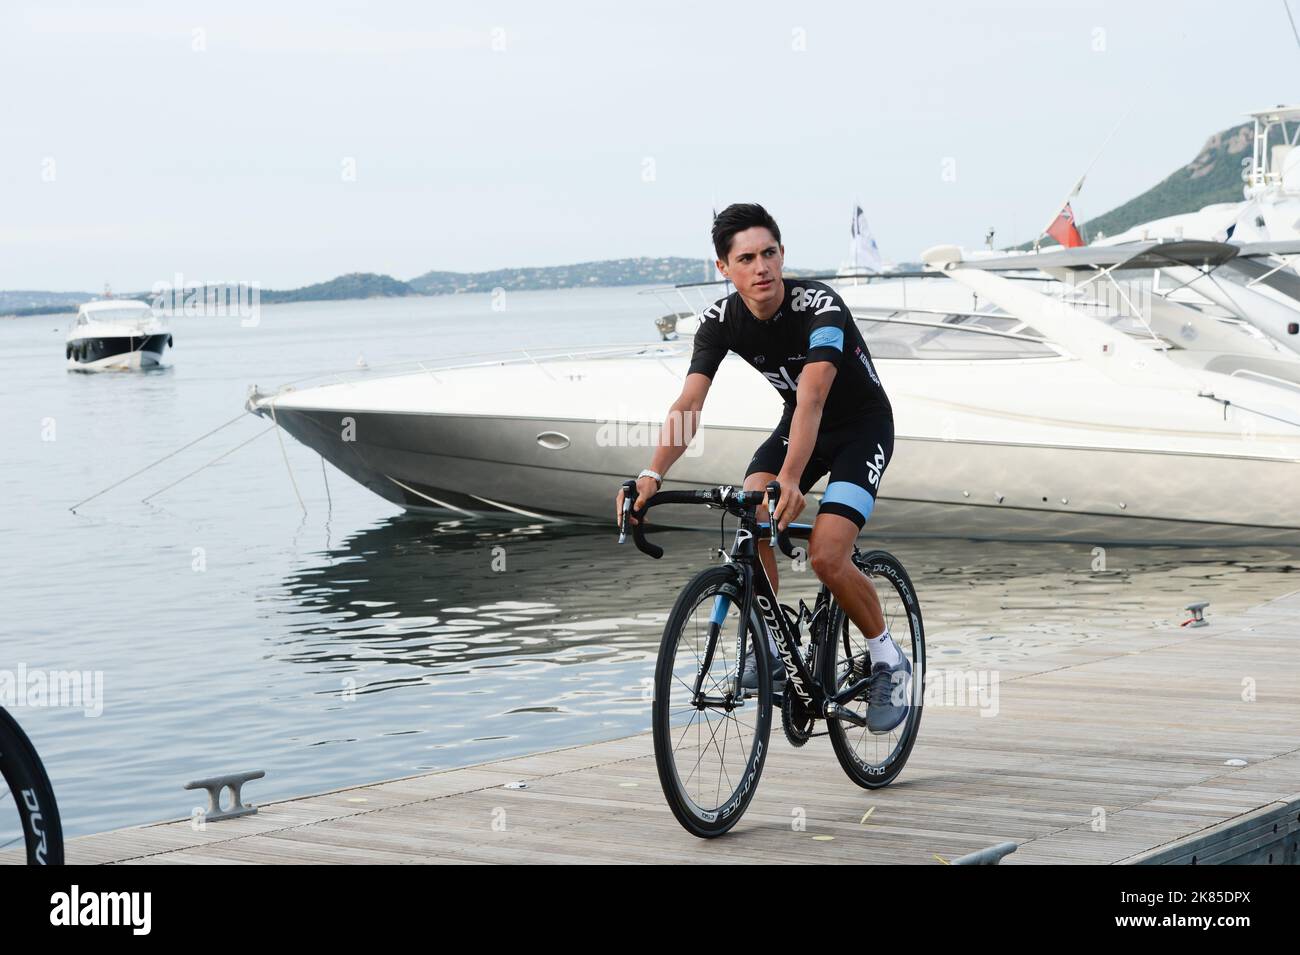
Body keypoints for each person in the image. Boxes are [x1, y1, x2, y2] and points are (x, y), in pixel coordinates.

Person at [615, 203, 909, 733]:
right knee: (753, 505)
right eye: (746, 258)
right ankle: (776, 647)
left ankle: (888, 658)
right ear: (724, 269)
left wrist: (792, 480)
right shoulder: (720, 320)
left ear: (781, 254)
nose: (762, 267)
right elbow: (689, 403)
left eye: (769, 253)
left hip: (859, 429)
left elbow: (815, 396)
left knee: (826, 554)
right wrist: (651, 476)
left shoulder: (819, 305)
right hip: (796, 425)